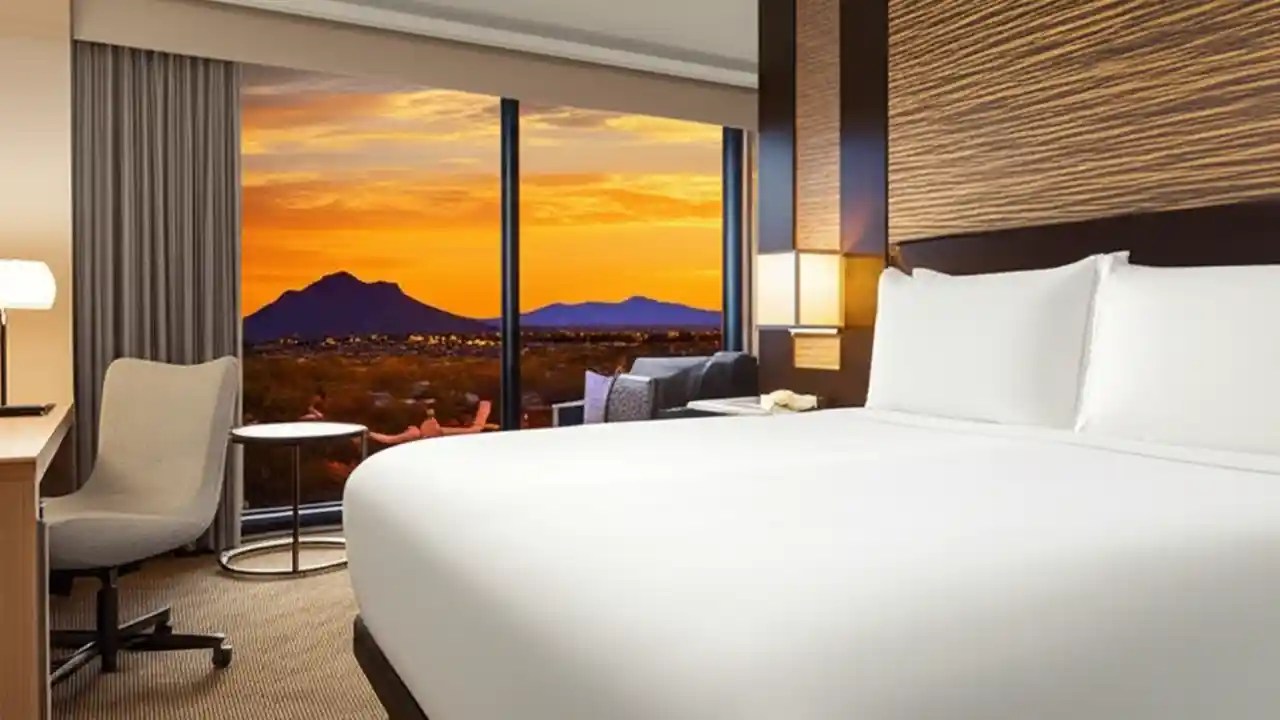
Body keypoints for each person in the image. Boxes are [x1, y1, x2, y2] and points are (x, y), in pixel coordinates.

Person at [368, 394, 492, 446]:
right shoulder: (428, 431)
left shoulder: (425, 431)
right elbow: (476, 429)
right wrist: (484, 408)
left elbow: (390, 439)